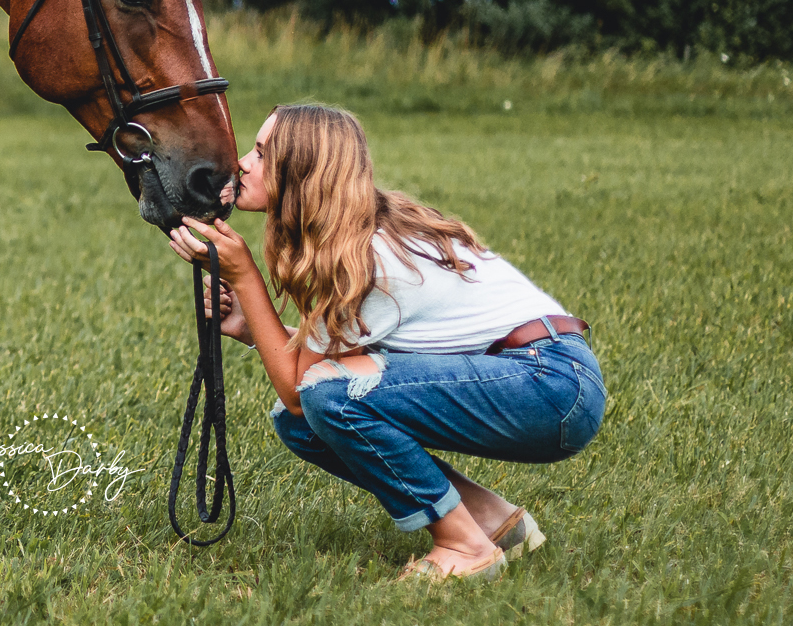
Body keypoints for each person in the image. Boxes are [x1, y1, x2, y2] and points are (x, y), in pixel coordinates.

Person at [170, 103, 604, 581]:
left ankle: (465, 547)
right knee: (305, 422)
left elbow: (305, 390)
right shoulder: (356, 233)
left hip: (550, 383)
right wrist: (254, 330)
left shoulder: (369, 258)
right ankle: (491, 522)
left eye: (261, 152)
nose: (244, 163)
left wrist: (245, 276)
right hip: (547, 378)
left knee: (324, 398)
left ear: (303, 174)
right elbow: (312, 381)